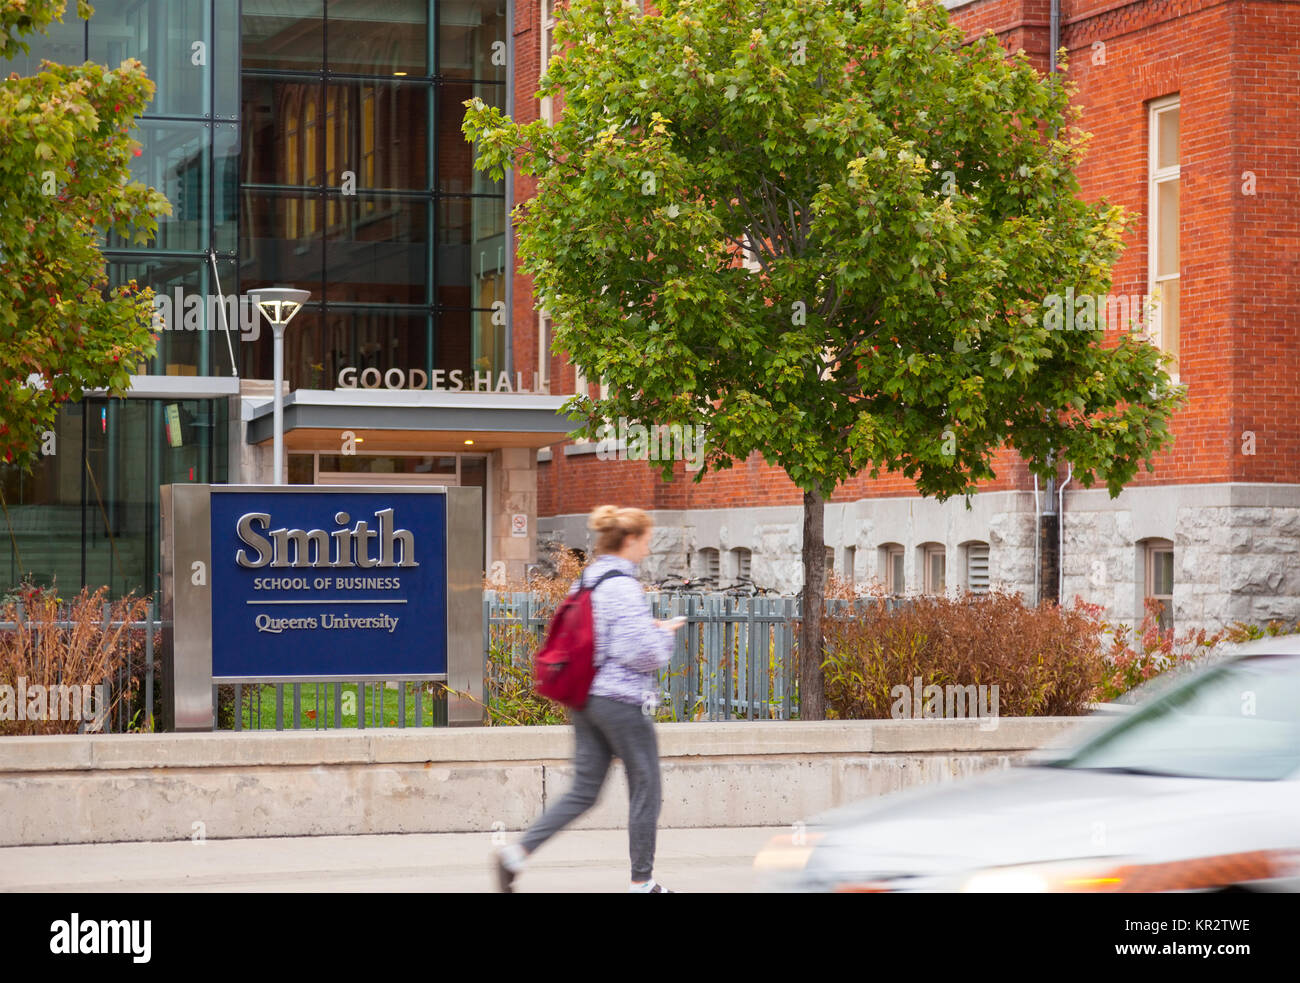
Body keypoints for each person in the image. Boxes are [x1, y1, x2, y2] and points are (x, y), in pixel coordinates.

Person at [493, 505, 684, 893]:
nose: (647, 551)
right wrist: (664, 633)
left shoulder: (587, 581)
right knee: (647, 785)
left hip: (585, 698)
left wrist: (643, 630)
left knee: (584, 790)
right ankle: (642, 884)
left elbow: (601, 638)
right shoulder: (623, 586)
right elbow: (639, 652)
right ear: (629, 541)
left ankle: (515, 856)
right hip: (621, 700)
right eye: (645, 542)